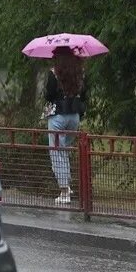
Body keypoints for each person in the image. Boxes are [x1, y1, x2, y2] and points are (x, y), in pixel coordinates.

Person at [43, 48, 87, 205]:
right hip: (74, 116)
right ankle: (66, 184)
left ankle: (64, 190)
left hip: (58, 117)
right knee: (64, 150)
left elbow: (48, 95)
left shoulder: (54, 72)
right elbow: (85, 94)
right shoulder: (80, 73)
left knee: (56, 152)